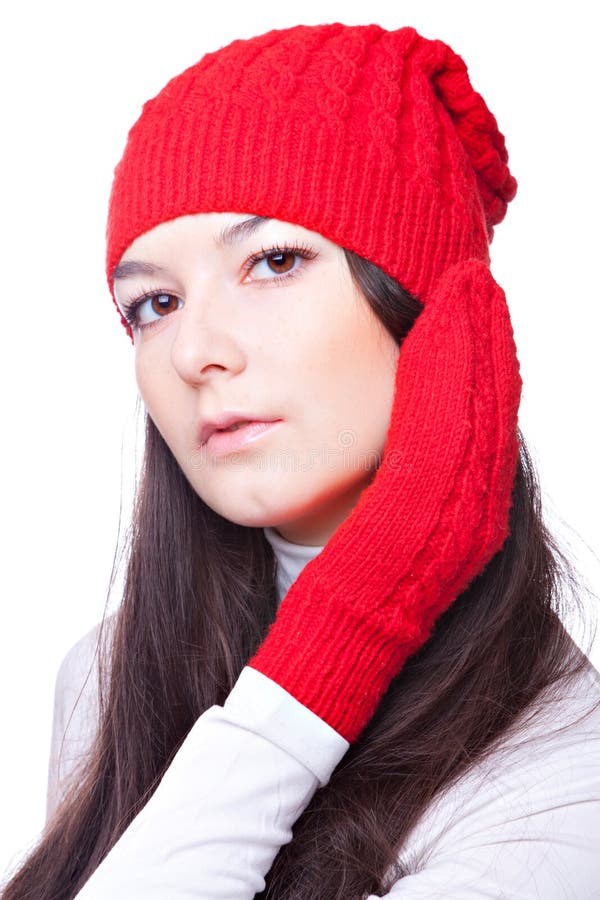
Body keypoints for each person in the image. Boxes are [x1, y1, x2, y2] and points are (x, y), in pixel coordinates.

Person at [2, 21, 599, 900]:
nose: (193, 349)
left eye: (274, 260)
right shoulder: (104, 680)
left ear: (433, 317)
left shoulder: (561, 782)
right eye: (154, 302)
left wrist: (357, 619)